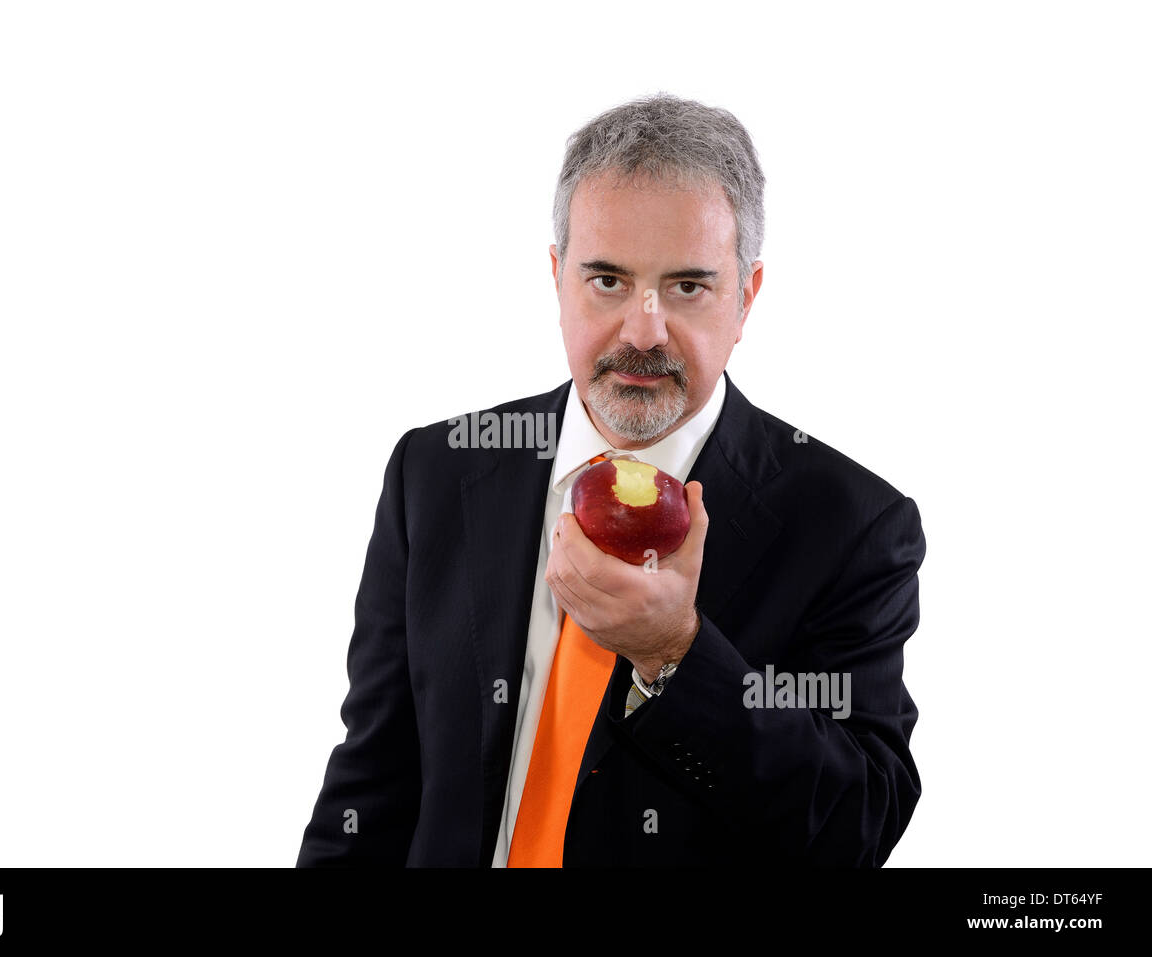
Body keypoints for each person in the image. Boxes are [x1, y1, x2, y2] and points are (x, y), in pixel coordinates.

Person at [297, 92, 926, 867]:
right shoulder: (436, 473)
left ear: (746, 297)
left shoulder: (851, 525)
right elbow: (371, 783)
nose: (642, 329)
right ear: (558, 276)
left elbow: (854, 826)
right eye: (607, 280)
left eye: (688, 286)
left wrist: (677, 655)